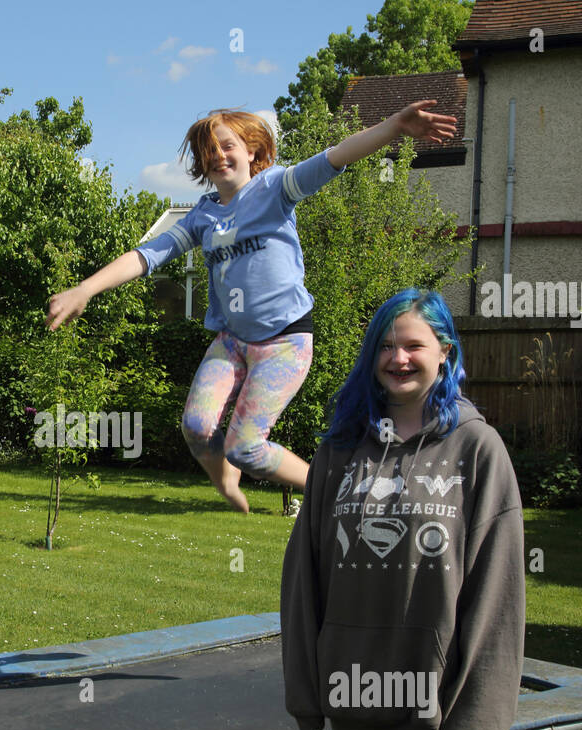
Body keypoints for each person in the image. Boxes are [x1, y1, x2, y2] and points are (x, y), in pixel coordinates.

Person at [46, 102, 456, 512]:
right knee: (194, 427)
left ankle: (332, 488)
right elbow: (147, 255)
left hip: (285, 341)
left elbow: (335, 157)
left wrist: (394, 125)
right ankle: (225, 480)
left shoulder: (275, 189)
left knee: (245, 447)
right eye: (209, 152)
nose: (218, 156)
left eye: (227, 146)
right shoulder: (201, 217)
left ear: (253, 152)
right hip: (232, 341)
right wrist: (85, 289)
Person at [279, 288, 525, 730]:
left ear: (445, 351)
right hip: (352, 681)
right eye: (385, 346)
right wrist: (308, 682)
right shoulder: (342, 448)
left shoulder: (476, 448)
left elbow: (500, 587)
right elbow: (304, 574)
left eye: (413, 345)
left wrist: (477, 706)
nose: (399, 358)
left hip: (431, 688)